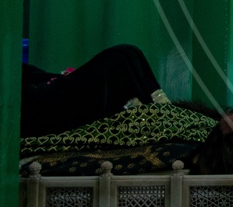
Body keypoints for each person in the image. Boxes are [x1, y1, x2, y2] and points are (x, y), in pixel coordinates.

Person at [21, 42, 166, 138]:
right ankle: (159, 114)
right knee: (123, 54)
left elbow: (34, 74)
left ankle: (158, 112)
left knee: (128, 54)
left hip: (47, 92)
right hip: (41, 108)